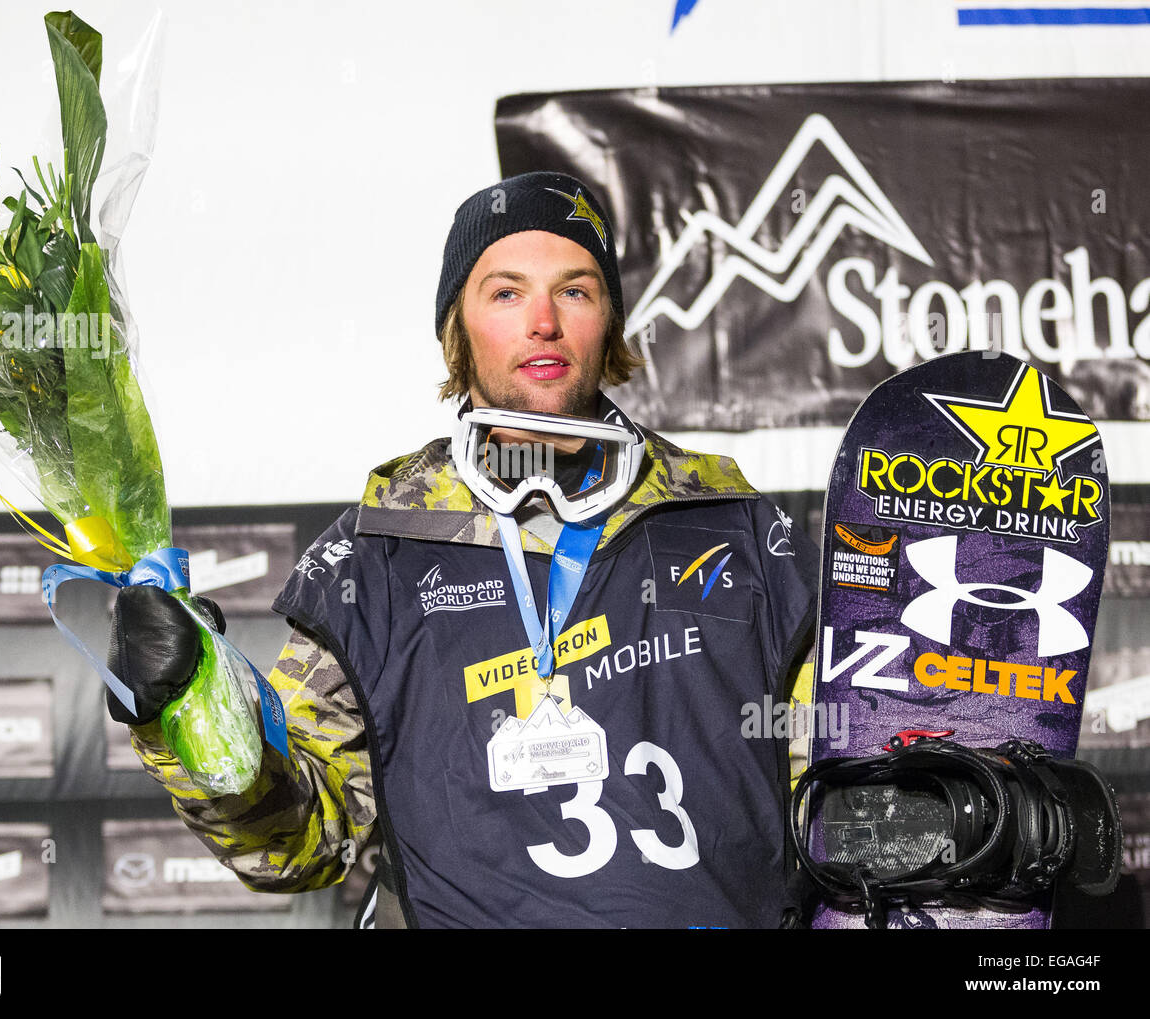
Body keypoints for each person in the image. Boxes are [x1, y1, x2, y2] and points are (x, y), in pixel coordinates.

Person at [109, 172, 818, 928]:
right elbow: (299, 840)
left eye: (574, 290)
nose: (543, 320)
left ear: (608, 321)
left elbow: (836, 806)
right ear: (458, 326)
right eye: (506, 293)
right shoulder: (376, 555)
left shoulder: (738, 528)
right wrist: (183, 712)